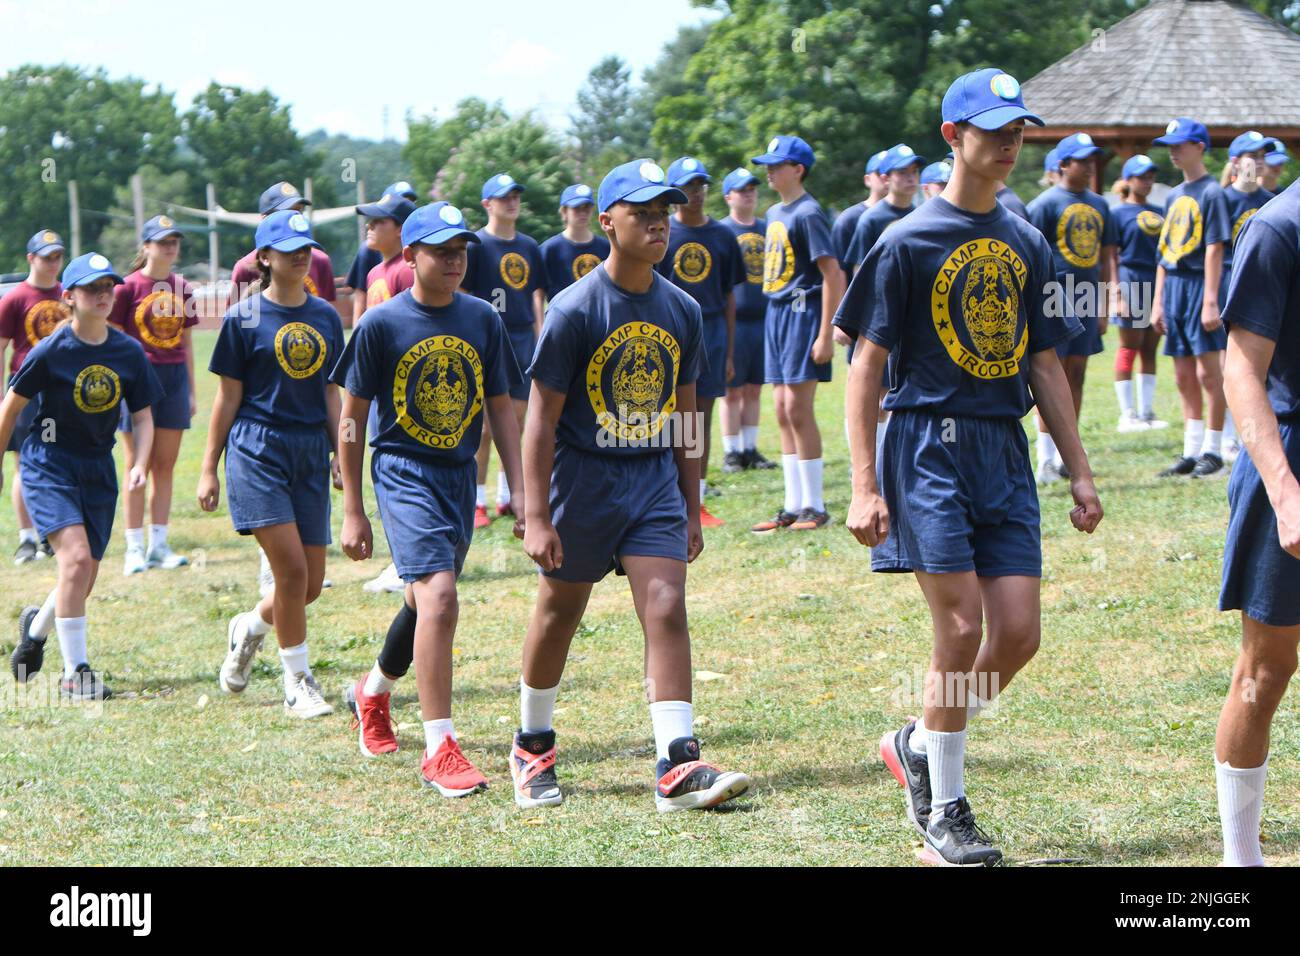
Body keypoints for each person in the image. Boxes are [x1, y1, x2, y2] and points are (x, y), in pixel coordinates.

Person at [836, 68, 1102, 866]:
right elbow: (864, 366)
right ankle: (945, 811)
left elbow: (1047, 365)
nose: (1011, 141)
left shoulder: (1026, 239)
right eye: (994, 129)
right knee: (959, 628)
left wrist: (1080, 470)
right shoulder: (905, 241)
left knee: (1016, 636)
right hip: (925, 448)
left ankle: (922, 740)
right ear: (953, 138)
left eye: (1019, 128)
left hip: (1003, 449)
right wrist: (862, 483)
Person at [510, 159, 750, 812]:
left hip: (651, 481)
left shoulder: (681, 308)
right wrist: (535, 516)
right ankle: (532, 743)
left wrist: (692, 504)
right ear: (608, 221)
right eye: (642, 212)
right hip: (581, 481)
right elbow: (540, 423)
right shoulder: (573, 309)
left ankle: (678, 762)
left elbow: (690, 418)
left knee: (667, 605)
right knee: (561, 613)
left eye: (664, 212)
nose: (657, 223)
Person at [332, 201, 525, 791]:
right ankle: (440, 747)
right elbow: (351, 418)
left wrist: (519, 491)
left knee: (422, 603)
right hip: (403, 471)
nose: (454, 261)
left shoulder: (482, 319)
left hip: (457, 475)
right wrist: (353, 510)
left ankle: (373, 692)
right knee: (439, 597)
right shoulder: (380, 324)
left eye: (461, 251)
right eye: (441, 251)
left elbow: (501, 409)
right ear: (410, 256)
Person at [199, 210, 345, 718]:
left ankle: (249, 629)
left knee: (307, 588)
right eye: (288, 250)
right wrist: (208, 466)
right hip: (257, 450)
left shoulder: (326, 316)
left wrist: (340, 453)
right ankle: (297, 682)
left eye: (306, 248)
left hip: (308, 449)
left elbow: (331, 392)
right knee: (289, 571)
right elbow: (226, 400)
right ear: (265, 258)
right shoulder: (243, 318)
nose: (301, 257)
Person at [5, 252, 161, 700]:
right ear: (69, 297)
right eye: (92, 288)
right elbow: (11, 408)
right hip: (48, 462)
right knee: (74, 561)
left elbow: (145, 416)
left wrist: (139, 463)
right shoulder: (52, 349)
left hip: (97, 466)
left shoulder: (127, 350)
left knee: (85, 574)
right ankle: (76, 674)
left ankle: (35, 630)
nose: (102, 295)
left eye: (108, 287)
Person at [1214, 176, 1300, 867]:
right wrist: (1284, 490)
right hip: (1291, 455)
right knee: (1265, 670)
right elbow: (1242, 368)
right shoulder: (1277, 228)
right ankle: (1240, 864)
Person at [748, 136, 846, 533]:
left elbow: (832, 275)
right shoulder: (774, 211)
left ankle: (815, 505)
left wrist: (826, 333)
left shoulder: (808, 213)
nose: (769, 171)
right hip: (776, 313)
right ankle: (792, 504)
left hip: (802, 315)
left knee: (799, 409)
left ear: (798, 169)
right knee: (782, 410)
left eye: (778, 164)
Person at [656, 156, 743, 526]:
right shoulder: (663, 233)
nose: (694, 193)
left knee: (698, 419)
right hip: (669, 335)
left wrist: (729, 350)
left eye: (699, 186)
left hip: (711, 334)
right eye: (687, 187)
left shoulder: (723, 235)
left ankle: (697, 499)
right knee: (664, 418)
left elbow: (729, 298)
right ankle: (663, 495)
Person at [1027, 132, 1119, 483]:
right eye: (1082, 160)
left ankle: (1069, 452)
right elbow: (1031, 258)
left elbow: (1108, 256)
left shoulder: (1100, 203)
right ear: (1064, 165)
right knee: (1053, 373)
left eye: (1092, 159)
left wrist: (1106, 302)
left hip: (1087, 295)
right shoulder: (1044, 204)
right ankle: (1046, 456)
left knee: (1077, 373)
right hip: (1054, 295)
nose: (1089, 165)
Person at [109, 215, 197, 574]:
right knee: (136, 464)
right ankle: (133, 547)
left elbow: (188, 342)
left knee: (165, 465)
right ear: (145, 247)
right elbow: (112, 342)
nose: (169, 247)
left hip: (174, 378)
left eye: (173, 241)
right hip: (137, 381)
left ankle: (159, 545)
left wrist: (190, 390)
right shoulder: (126, 288)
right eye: (161, 241)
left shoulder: (183, 288)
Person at [462, 173, 545, 529]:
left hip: (523, 338)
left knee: (518, 423)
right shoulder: (476, 245)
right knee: (483, 427)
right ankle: (476, 501)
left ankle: (508, 496)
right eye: (503, 197)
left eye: (515, 195)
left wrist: (542, 336)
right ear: (487, 204)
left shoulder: (529, 246)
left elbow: (537, 295)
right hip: (488, 340)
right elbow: (463, 295)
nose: (512, 202)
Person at [1150, 117, 1231, 478]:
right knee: (1183, 374)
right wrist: (1157, 302)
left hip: (1200, 284)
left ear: (1200, 147)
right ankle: (1191, 449)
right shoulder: (1173, 194)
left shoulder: (1213, 192)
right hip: (1176, 287)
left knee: (1207, 372)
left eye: (1180, 144)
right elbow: (1165, 252)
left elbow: (1214, 248)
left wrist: (1211, 300)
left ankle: (1214, 449)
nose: (1173, 151)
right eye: (1170, 145)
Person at [0, 230, 64, 564]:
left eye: (57, 257)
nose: (53, 264)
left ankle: (50, 533)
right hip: (24, 390)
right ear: (31, 259)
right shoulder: (15, 298)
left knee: (54, 460)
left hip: (59, 390)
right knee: (24, 462)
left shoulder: (68, 294)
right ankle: (26, 538)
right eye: (46, 257)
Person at [719, 166, 776, 472]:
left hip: (763, 317)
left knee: (754, 387)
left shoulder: (768, 228)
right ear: (729, 196)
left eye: (752, 189)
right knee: (732, 389)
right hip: (735, 321)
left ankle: (751, 448)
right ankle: (731, 451)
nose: (749, 194)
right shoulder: (723, 231)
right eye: (742, 190)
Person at [1110, 154, 1169, 432]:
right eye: (1141, 177)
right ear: (1128, 180)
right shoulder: (1117, 213)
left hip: (1156, 279)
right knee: (1129, 346)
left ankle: (1146, 411)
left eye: (1150, 176)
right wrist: (1116, 293)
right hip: (1130, 278)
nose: (1147, 182)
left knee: (1149, 348)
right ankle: (1127, 414)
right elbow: (1110, 255)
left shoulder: (1160, 209)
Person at [229, 182, 336, 305]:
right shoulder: (244, 268)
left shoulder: (320, 261)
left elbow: (328, 316)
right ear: (265, 219)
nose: (294, 217)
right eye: (286, 212)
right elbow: (235, 319)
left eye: (299, 211)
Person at [344, 181, 418, 327]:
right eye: (371, 220)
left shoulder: (406, 271)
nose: (369, 225)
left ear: (400, 230)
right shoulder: (374, 272)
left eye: (379, 221)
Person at [846, 144, 924, 269]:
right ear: (886, 178)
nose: (911, 178)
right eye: (902, 172)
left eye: (914, 171)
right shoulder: (871, 219)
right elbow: (860, 271)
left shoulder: (920, 216)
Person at [539, 184, 610, 301]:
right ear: (564, 211)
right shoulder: (549, 249)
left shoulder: (606, 247)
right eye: (577, 208)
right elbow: (538, 292)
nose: (583, 213)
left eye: (586, 207)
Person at [831, 149, 888, 275]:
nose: (887, 178)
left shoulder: (910, 215)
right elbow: (837, 271)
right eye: (881, 172)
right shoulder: (849, 219)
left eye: (892, 172)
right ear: (867, 180)